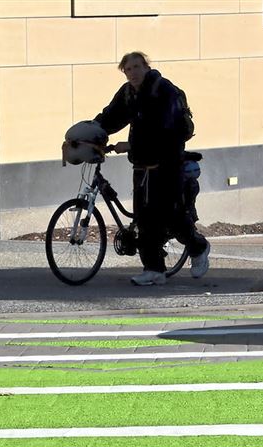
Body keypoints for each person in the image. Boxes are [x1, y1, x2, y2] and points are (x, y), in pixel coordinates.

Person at [93, 52, 211, 286]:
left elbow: (165, 130)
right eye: (128, 69)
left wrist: (130, 145)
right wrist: (89, 132)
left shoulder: (163, 90)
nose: (133, 72)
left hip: (167, 164)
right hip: (142, 165)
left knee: (170, 216)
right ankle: (154, 269)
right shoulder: (128, 93)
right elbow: (111, 117)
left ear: (146, 67)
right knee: (144, 219)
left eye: (137, 67)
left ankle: (198, 247)